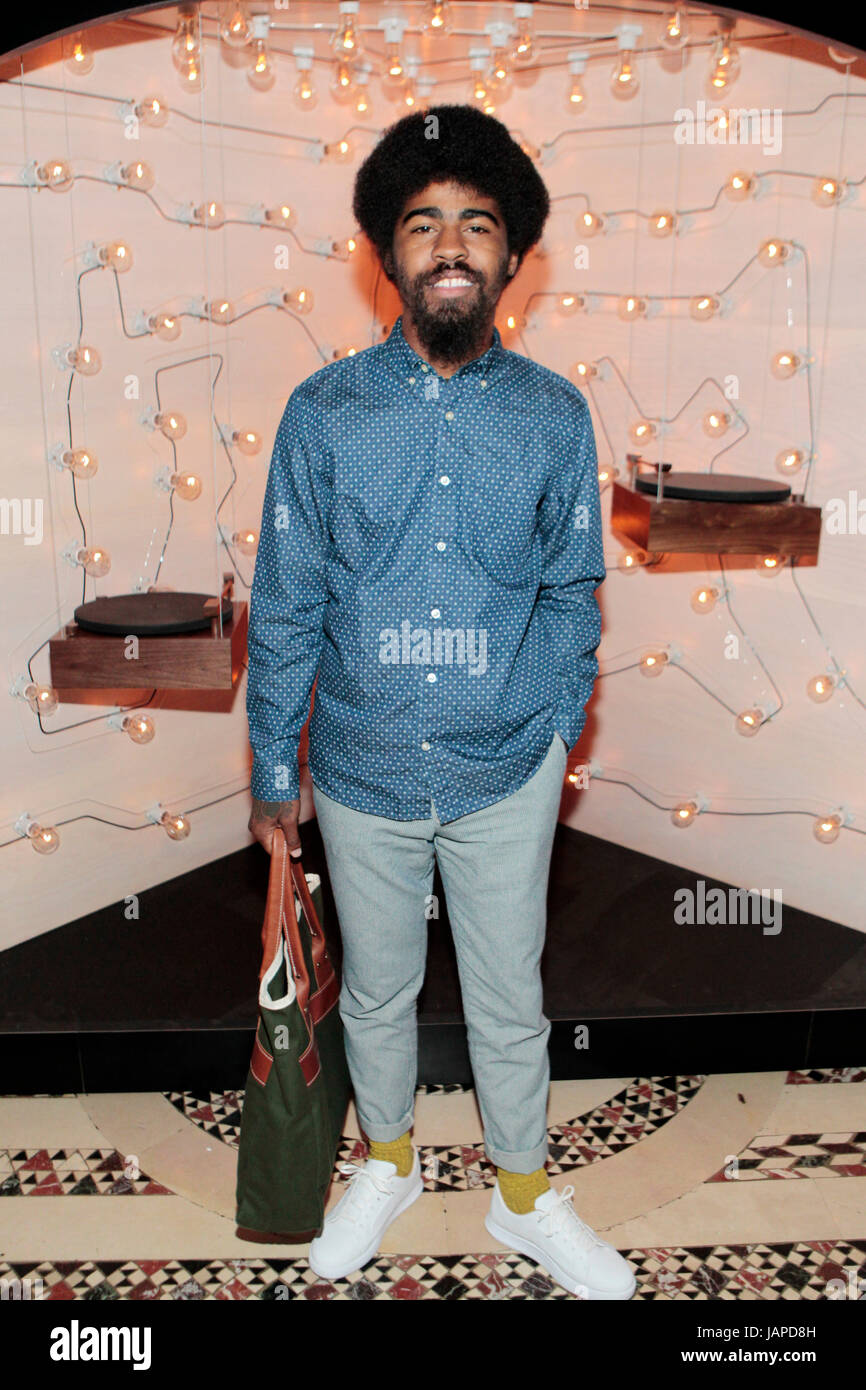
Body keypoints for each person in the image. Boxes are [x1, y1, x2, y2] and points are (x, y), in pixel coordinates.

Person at [246, 104, 634, 1300]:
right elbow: (286, 601)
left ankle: (523, 1200)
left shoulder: (554, 415)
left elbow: (574, 591)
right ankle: (392, 1164)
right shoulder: (322, 415)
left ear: (511, 252)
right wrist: (274, 771)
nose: (449, 245)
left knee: (511, 993)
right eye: (422, 226)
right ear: (389, 256)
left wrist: (556, 724)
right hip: (359, 760)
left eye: (475, 223)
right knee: (374, 987)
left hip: (505, 762)